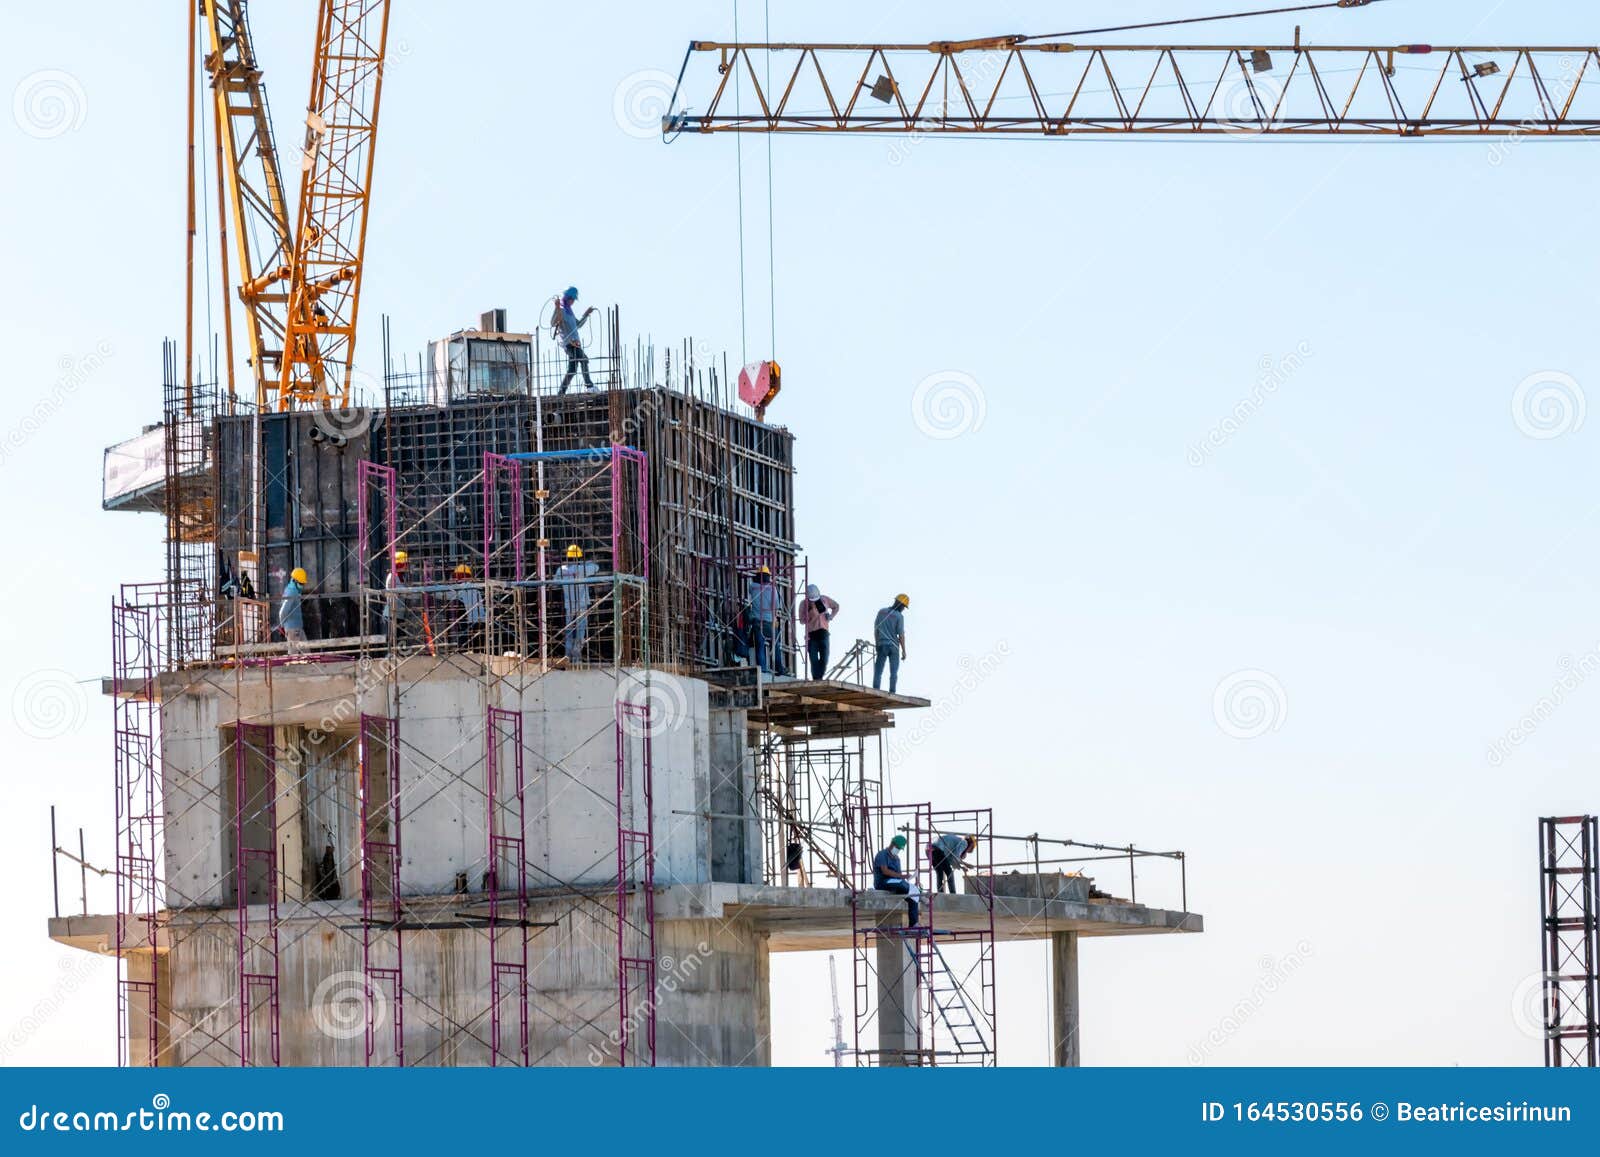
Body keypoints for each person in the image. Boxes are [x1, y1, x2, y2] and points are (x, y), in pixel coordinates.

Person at [556, 544, 600, 663]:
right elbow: (596, 567)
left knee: (568, 631)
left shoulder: (561, 570)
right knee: (580, 631)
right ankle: (576, 653)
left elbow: (555, 582)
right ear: (579, 558)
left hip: (569, 605)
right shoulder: (583, 569)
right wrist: (588, 563)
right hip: (581, 604)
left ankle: (568, 656)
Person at [554, 286, 597, 394]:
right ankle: (589, 385)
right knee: (583, 359)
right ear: (567, 298)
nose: (573, 302)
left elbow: (577, 325)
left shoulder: (569, 311)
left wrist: (586, 315)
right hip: (569, 344)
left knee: (572, 370)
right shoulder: (562, 310)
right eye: (572, 299)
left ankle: (561, 392)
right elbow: (553, 322)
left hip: (576, 344)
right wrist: (557, 308)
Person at [872, 834, 920, 927]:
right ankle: (914, 891)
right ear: (892, 844)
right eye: (897, 848)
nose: (897, 850)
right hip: (883, 882)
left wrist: (905, 878)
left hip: (895, 883)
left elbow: (898, 876)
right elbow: (885, 871)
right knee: (903, 884)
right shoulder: (882, 854)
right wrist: (902, 876)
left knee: (913, 895)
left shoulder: (897, 859)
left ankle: (914, 923)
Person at [797, 583, 840, 680]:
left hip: (824, 633)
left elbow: (836, 606)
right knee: (814, 660)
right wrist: (811, 613)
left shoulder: (824, 599)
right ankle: (816, 679)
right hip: (812, 635)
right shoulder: (804, 604)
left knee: (824, 659)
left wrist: (831, 616)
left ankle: (819, 677)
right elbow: (801, 620)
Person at [749, 565, 785, 676]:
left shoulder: (752, 587)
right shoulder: (773, 589)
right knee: (775, 647)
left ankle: (762, 671)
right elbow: (777, 606)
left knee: (759, 646)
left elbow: (753, 584)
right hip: (771, 622)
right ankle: (780, 669)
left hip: (758, 622)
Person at [872, 593, 910, 693]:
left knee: (878, 671)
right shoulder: (899, 616)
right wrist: (904, 651)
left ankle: (876, 690)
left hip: (882, 645)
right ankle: (892, 692)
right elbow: (901, 635)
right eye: (904, 607)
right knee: (893, 672)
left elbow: (876, 630)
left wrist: (877, 644)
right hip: (894, 647)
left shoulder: (881, 612)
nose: (903, 609)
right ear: (901, 606)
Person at [452, 563, 485, 651]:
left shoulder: (462, 587)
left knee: (464, 643)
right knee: (478, 644)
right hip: (481, 620)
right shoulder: (476, 588)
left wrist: (429, 589)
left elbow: (446, 594)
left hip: (470, 622)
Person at [383, 551, 409, 645]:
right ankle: (390, 656)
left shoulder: (402, 577)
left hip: (400, 613)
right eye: (405, 564)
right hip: (391, 613)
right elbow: (395, 590)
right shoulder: (392, 576)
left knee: (400, 638)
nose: (406, 566)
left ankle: (399, 656)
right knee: (392, 639)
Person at [281, 566, 308, 653]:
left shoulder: (295, 591)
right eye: (301, 583)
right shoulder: (291, 592)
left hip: (298, 627)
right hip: (293, 629)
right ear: (295, 581)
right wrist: (282, 624)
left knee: (307, 654)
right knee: (293, 656)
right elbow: (283, 611)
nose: (302, 586)